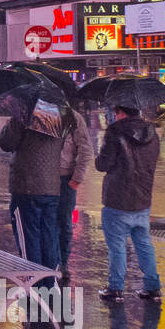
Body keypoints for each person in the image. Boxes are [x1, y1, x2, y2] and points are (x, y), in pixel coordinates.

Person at [95, 104, 162, 302]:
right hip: (143, 196)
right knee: (144, 243)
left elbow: (103, 164)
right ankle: (152, 287)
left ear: (121, 113)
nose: (113, 117)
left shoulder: (115, 133)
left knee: (117, 245)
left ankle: (115, 288)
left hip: (118, 197)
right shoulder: (152, 133)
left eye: (114, 113)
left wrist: (100, 155)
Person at [0, 114, 63, 273]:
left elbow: (6, 143)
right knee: (48, 237)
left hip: (26, 186)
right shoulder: (61, 116)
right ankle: (48, 282)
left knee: (28, 238)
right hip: (51, 186)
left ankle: (33, 286)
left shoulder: (23, 114)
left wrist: (8, 125)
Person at [56, 103, 94, 280]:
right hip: (41, 180)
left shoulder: (73, 117)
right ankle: (46, 263)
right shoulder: (36, 114)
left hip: (65, 180)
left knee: (64, 222)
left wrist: (76, 180)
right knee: (44, 224)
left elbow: (85, 149)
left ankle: (62, 263)